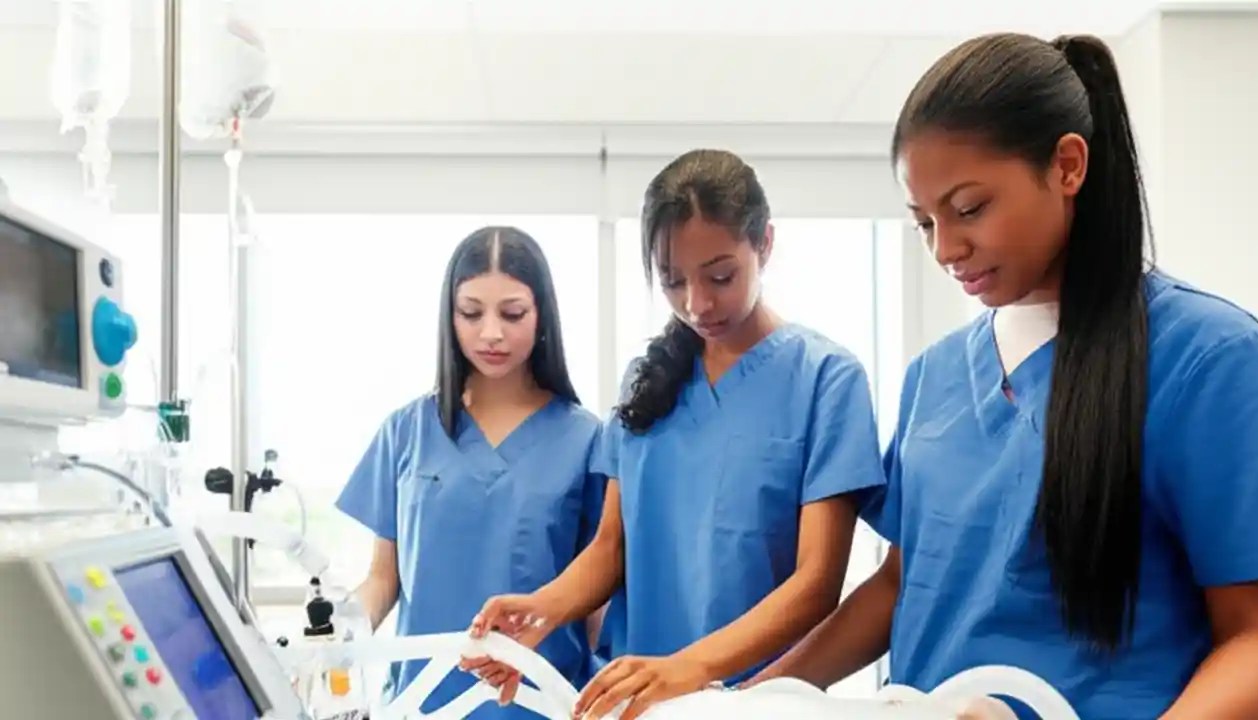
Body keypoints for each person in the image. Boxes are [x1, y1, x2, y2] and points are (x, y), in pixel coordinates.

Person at [750, 32, 1258, 719]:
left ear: (1066, 166)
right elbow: (902, 583)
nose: (947, 248)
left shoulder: (1206, 358)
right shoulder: (934, 377)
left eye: (969, 209)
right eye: (925, 223)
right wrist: (759, 698)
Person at [461, 149, 886, 720]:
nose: (697, 303)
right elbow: (611, 548)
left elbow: (817, 583)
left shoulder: (826, 380)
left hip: (760, 702)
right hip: (640, 701)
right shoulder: (647, 382)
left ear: (764, 244)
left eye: (720, 276)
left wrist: (692, 669)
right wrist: (540, 611)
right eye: (672, 282)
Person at [335, 227, 607, 718]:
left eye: (512, 313)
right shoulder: (407, 432)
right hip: (421, 705)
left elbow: (594, 602)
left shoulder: (587, 441)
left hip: (540, 704)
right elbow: (383, 579)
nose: (491, 333)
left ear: (542, 315)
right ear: (449, 316)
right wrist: (340, 634)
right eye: (471, 313)